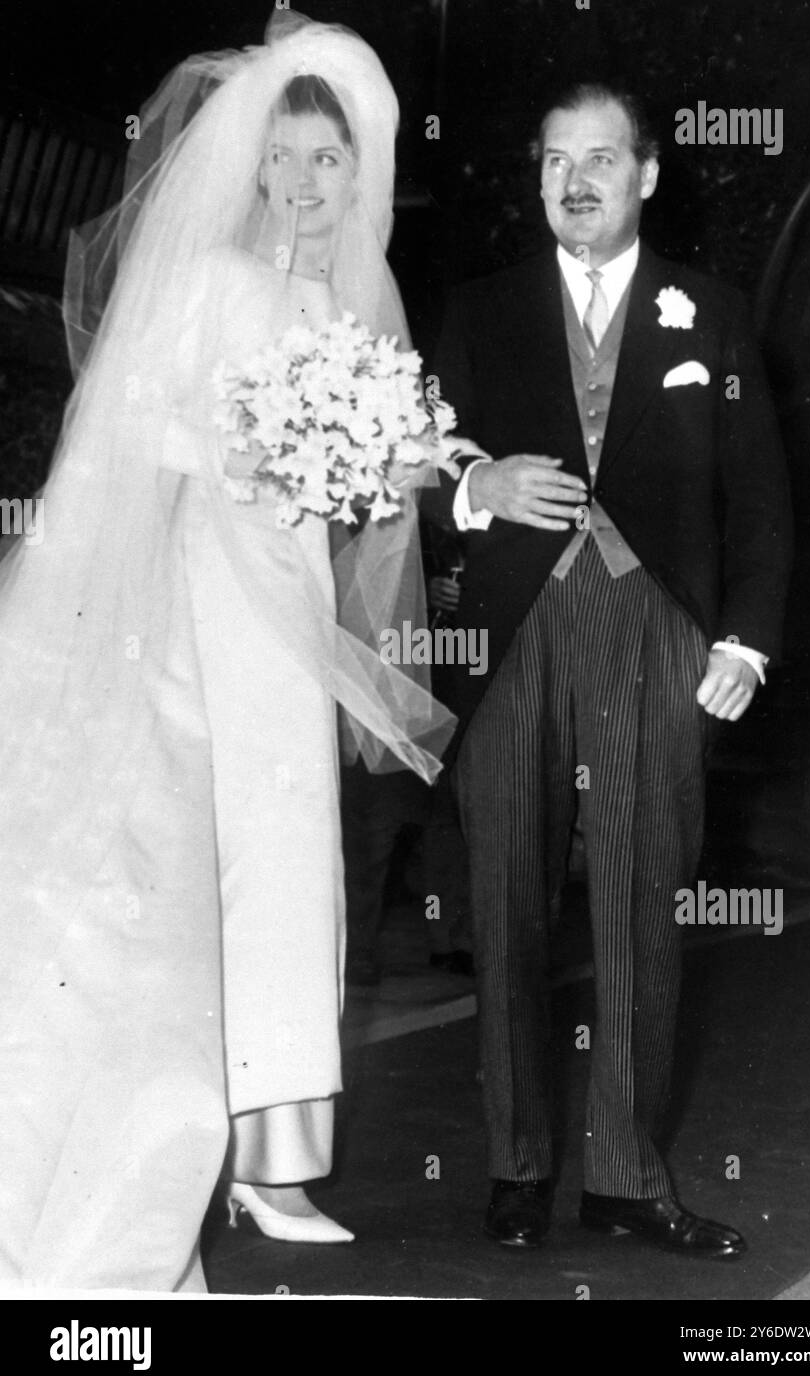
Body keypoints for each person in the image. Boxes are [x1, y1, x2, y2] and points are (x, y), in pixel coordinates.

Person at [0, 21, 454, 1291]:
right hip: (201, 606)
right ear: (253, 168)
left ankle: (277, 1159)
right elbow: (131, 443)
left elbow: (390, 469)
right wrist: (247, 458)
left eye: (331, 162)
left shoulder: (355, 301)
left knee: (294, 857)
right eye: (288, 159)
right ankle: (181, 1140)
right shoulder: (207, 283)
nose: (307, 186)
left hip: (292, 615)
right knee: (189, 877)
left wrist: (388, 465)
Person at [424, 81, 792, 1254]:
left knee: (641, 900)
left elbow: (765, 499)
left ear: (645, 174)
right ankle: (519, 1166)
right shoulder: (479, 311)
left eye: (598, 159)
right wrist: (475, 491)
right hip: (511, 636)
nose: (572, 180)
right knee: (508, 905)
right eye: (551, 162)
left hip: (652, 632)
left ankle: (630, 1178)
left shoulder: (712, 313)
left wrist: (741, 639)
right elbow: (408, 475)